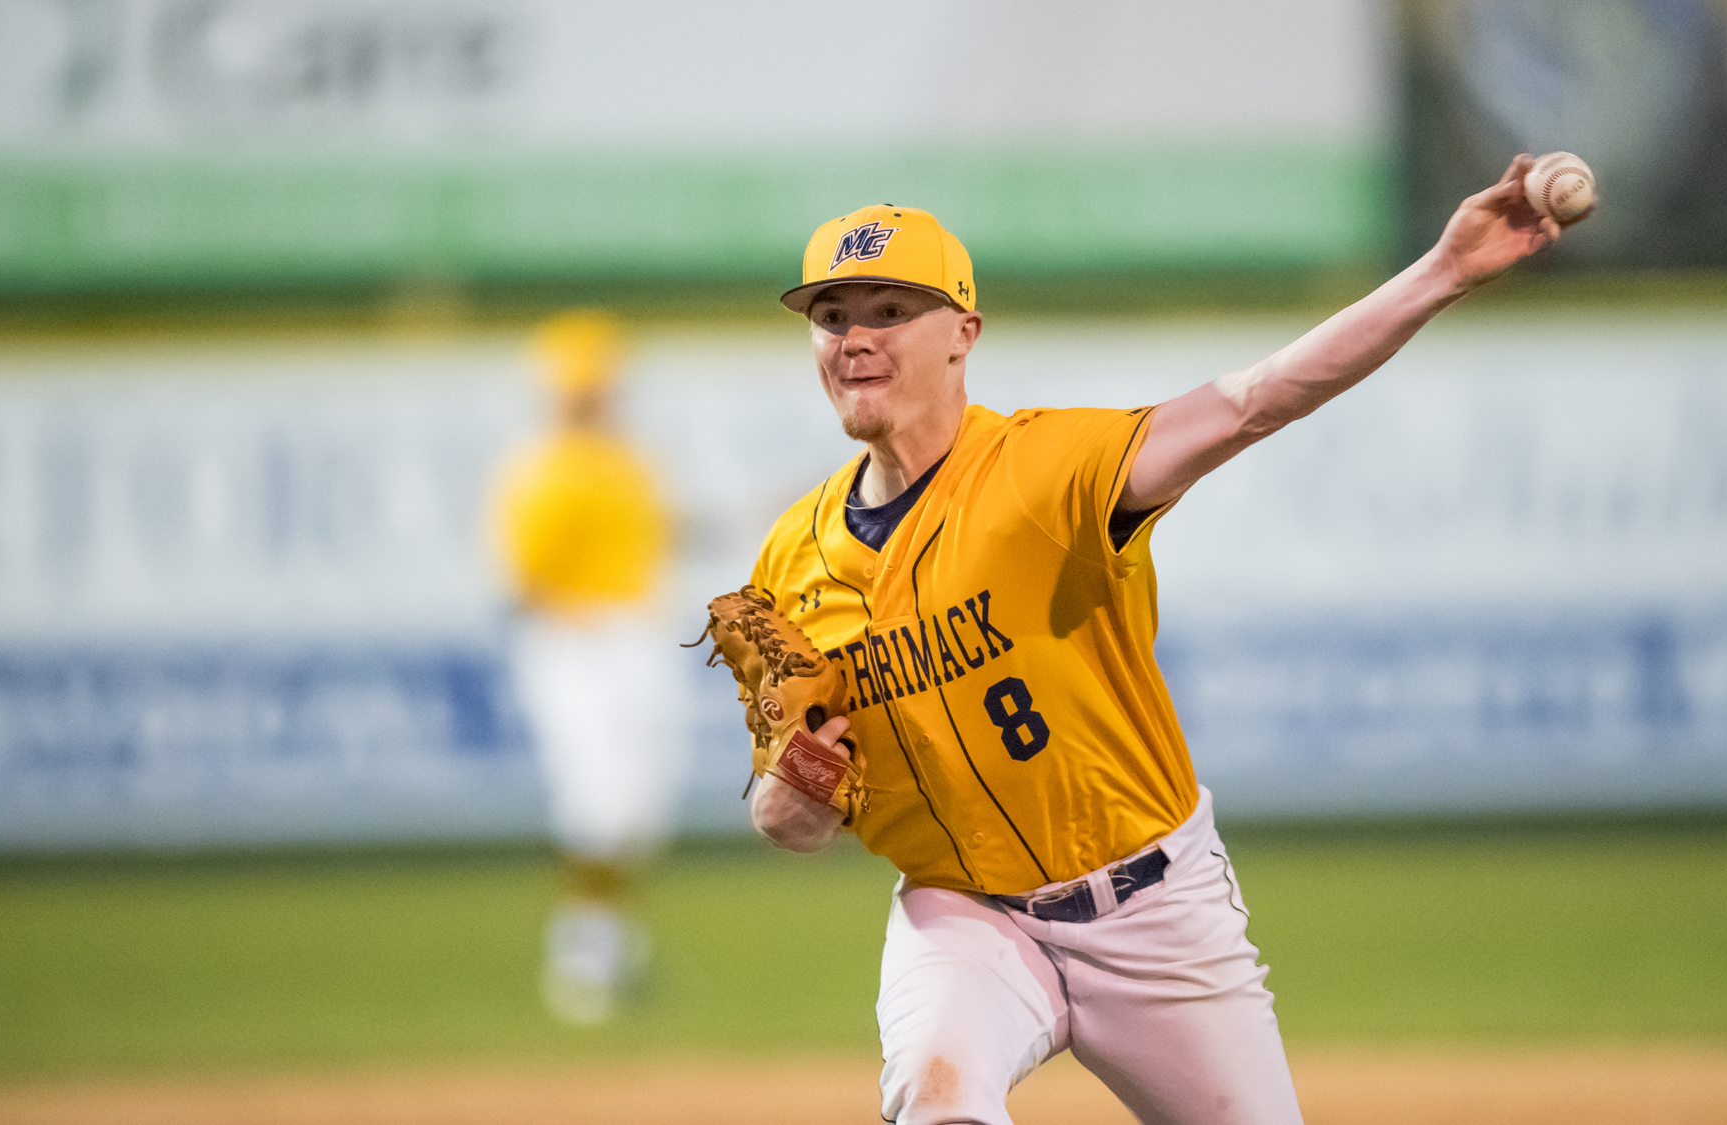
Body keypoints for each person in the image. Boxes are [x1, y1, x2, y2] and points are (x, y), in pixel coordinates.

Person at [740, 158, 1562, 1122]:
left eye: (888, 310)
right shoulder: (784, 569)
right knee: (937, 1097)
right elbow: (784, 818)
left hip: (1154, 910)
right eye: (832, 315)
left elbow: (1258, 400)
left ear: (964, 335)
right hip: (965, 912)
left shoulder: (1044, 470)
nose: (855, 339)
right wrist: (792, 793)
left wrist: (1442, 272)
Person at [493, 309, 690, 1024]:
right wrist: (582, 624)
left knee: (639, 805)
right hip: (575, 645)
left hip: (638, 636)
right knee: (599, 802)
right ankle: (579, 956)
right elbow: (521, 582)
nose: (590, 395)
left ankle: (608, 941)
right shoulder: (540, 469)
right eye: (579, 385)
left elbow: (661, 531)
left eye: (597, 382)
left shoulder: (628, 459)